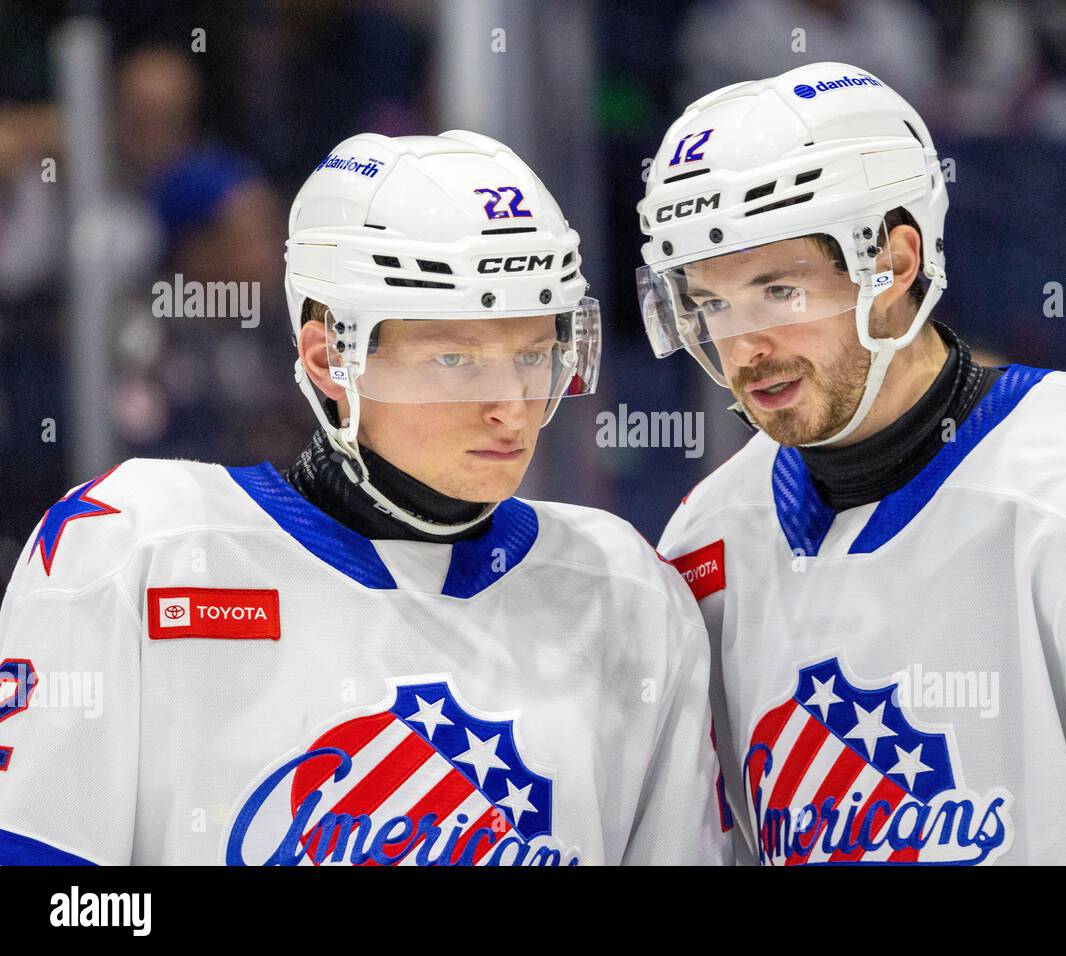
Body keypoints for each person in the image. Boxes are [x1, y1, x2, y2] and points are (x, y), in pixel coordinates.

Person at [638, 62, 1066, 865]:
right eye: (711, 303)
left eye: (778, 291)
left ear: (895, 262)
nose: (743, 346)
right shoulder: (709, 540)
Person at [0, 131, 723, 866]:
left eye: (533, 354)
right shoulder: (137, 549)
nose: (511, 405)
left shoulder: (623, 589)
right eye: (455, 359)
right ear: (329, 358)